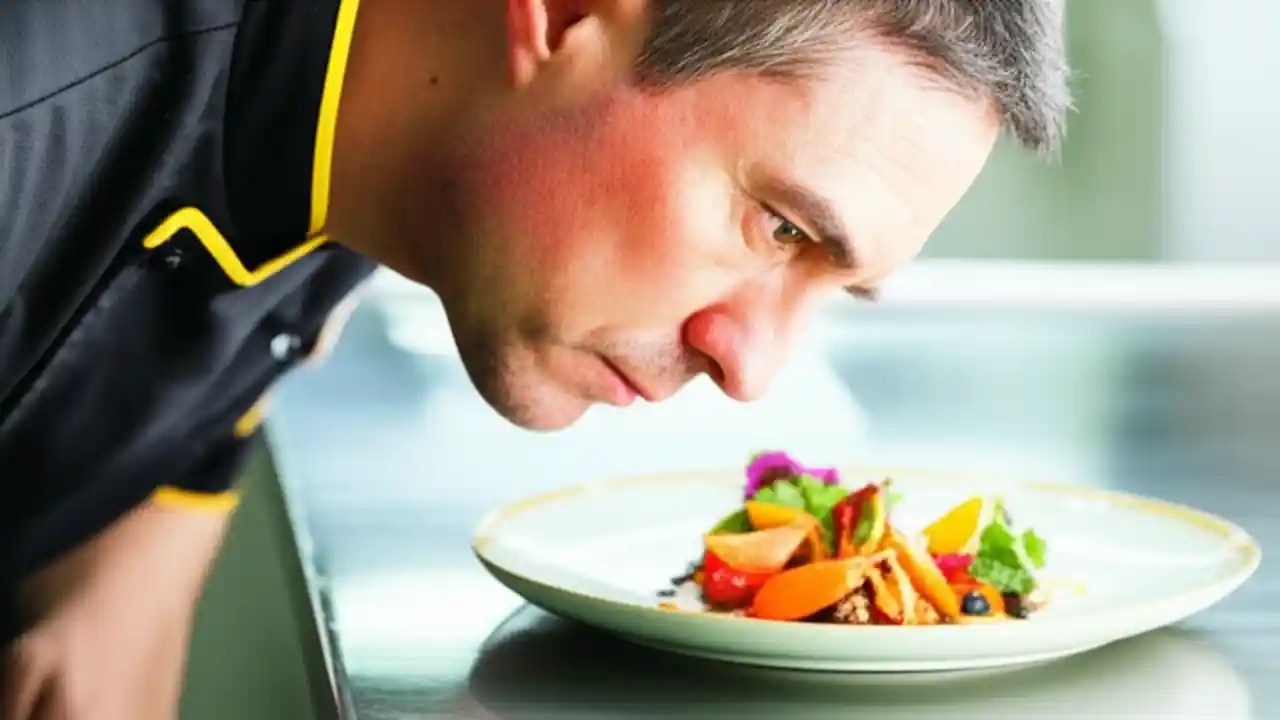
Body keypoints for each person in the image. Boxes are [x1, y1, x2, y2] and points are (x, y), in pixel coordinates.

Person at [0, 0, 1070, 717]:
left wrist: (147, 533)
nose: (753, 371)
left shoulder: (411, 147)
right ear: (561, 14)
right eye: (778, 227)